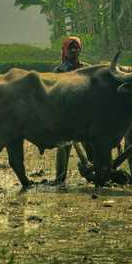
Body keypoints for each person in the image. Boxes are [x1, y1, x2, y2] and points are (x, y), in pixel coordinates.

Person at [53, 36, 84, 182]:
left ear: (80, 50)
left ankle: (96, 174)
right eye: (70, 48)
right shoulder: (58, 71)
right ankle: (60, 179)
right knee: (64, 147)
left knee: (90, 145)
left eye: (76, 48)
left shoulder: (86, 69)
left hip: (86, 114)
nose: (73, 50)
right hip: (65, 114)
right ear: (64, 51)